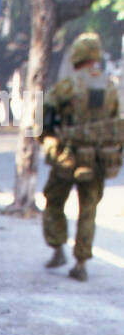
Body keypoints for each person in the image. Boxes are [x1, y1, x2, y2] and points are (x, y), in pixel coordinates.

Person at [40, 32, 122, 282]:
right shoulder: (109, 86)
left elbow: (44, 112)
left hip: (68, 157)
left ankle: (57, 248)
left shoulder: (69, 85)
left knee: (54, 200)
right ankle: (81, 263)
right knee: (88, 209)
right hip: (97, 158)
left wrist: (45, 137)